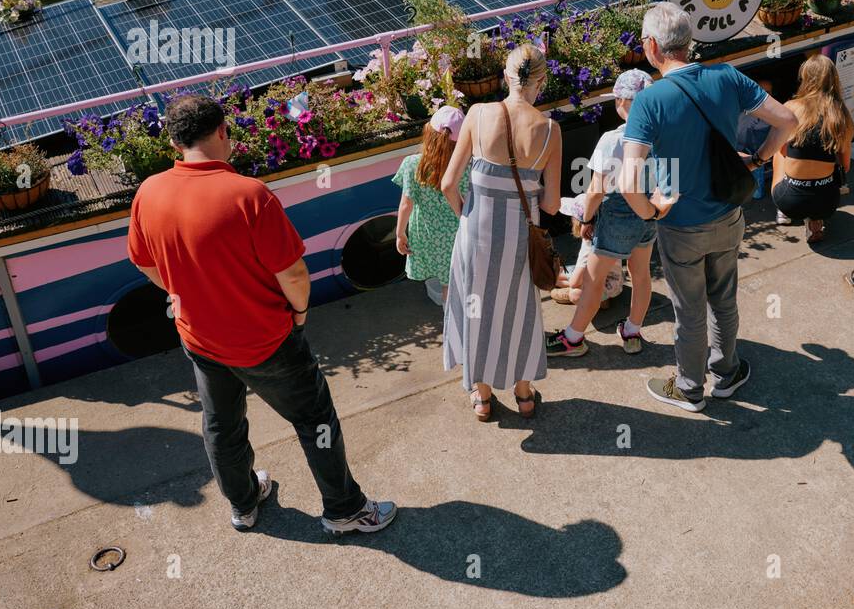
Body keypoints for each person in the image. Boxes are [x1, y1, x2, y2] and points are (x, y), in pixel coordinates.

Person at [126, 94, 396, 535]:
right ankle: (345, 510)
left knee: (222, 426)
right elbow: (292, 273)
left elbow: (143, 262)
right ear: (221, 132)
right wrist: (300, 314)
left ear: (175, 144)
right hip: (265, 341)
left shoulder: (149, 192)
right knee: (315, 421)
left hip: (200, 339)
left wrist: (179, 291)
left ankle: (244, 503)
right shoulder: (248, 195)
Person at [621, 3, 797, 411]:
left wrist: (651, 211)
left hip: (680, 224)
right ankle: (727, 372)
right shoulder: (726, 76)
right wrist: (757, 159)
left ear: (651, 47)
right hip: (730, 214)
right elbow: (787, 120)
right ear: (688, 41)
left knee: (690, 310)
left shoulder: (649, 102)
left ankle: (689, 388)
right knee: (724, 298)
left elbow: (628, 180)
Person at [441, 44, 562, 421]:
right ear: (541, 80)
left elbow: (448, 183)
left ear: (506, 76)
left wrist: (469, 215)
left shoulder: (478, 114)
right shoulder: (550, 130)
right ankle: (524, 395)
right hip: (519, 237)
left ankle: (482, 397)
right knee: (520, 309)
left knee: (477, 310)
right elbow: (552, 205)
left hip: (476, 233)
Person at [546, 69, 664, 358]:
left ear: (623, 102)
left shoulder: (612, 140)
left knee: (593, 281)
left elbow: (597, 191)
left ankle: (573, 339)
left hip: (616, 217)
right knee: (641, 275)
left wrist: (586, 219)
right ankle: (633, 330)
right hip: (649, 214)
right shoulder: (664, 135)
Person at [772, 54, 854, 244]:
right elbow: (845, 165)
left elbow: (784, 152)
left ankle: (783, 212)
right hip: (827, 203)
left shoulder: (792, 107)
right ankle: (815, 220)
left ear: (805, 79)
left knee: (778, 150)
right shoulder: (841, 115)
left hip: (790, 201)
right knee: (823, 176)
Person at [393, 105, 468, 306]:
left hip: (429, 235)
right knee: (463, 279)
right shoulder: (466, 165)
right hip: (460, 232)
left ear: (428, 132)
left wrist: (400, 234)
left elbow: (405, 205)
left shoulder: (411, 164)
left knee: (447, 284)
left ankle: (454, 327)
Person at [736, 78, 774, 200]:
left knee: (756, 193)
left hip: (754, 153)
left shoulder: (773, 111)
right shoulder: (741, 105)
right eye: (761, 90)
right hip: (737, 151)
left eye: (767, 92)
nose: (764, 94)